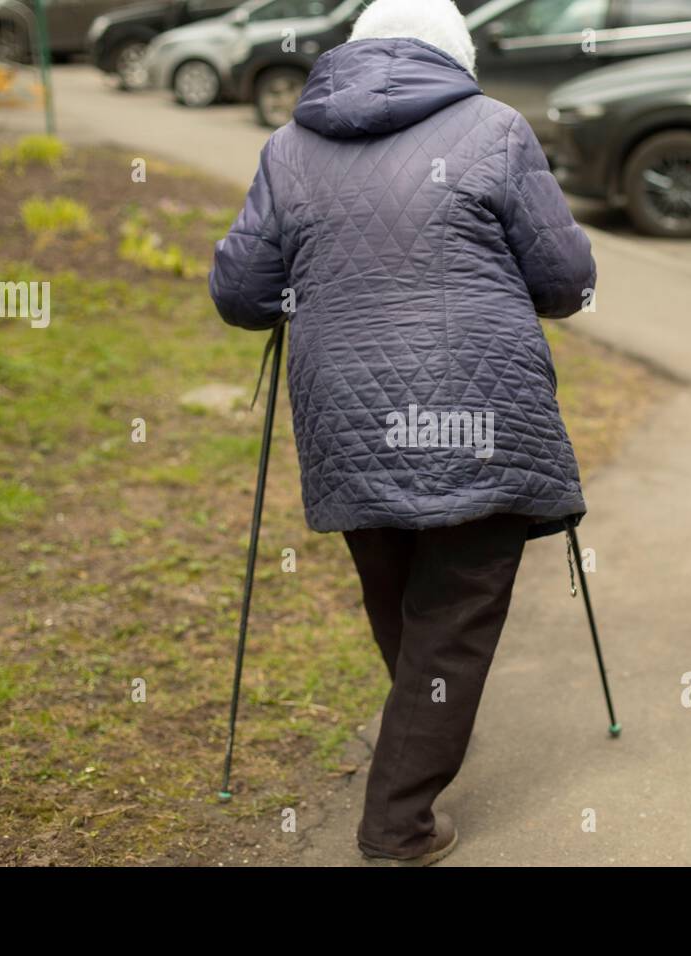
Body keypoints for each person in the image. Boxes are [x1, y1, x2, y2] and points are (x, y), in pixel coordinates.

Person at [209, 0, 596, 865]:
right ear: (455, 56)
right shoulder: (495, 127)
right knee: (454, 611)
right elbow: (566, 279)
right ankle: (398, 824)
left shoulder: (289, 146)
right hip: (481, 410)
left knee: (404, 597)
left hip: (347, 413)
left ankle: (423, 727)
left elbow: (241, 294)